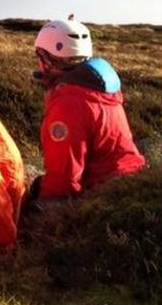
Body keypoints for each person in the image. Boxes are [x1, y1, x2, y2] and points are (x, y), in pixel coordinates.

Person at [27, 18, 146, 202]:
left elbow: (63, 182)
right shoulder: (98, 87)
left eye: (40, 55)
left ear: (47, 60)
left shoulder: (68, 104)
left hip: (105, 195)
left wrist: (40, 209)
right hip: (133, 180)